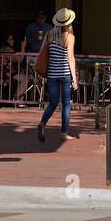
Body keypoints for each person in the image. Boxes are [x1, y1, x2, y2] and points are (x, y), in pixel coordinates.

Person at [37, 8, 79, 141]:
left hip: (52, 74)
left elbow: (42, 52)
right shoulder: (69, 37)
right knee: (66, 104)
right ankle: (63, 133)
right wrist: (75, 78)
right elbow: (70, 58)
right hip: (65, 74)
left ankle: (42, 123)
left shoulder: (49, 35)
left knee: (52, 103)